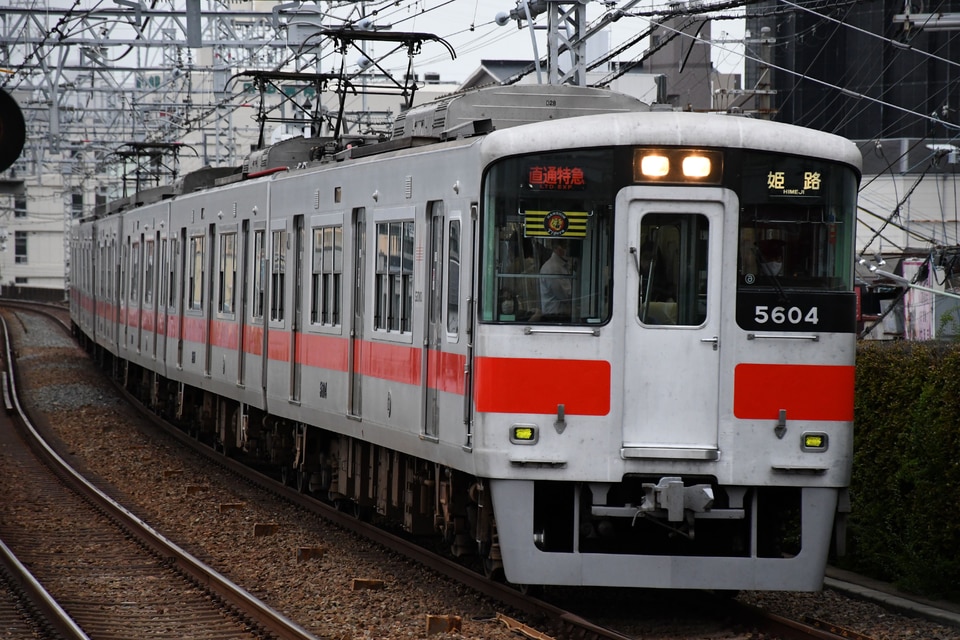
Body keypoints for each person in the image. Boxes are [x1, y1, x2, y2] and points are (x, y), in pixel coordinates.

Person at [539, 240, 573, 319]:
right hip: (554, 317)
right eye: (566, 247)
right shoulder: (553, 268)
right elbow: (565, 295)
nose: (569, 250)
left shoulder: (562, 265)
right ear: (557, 248)